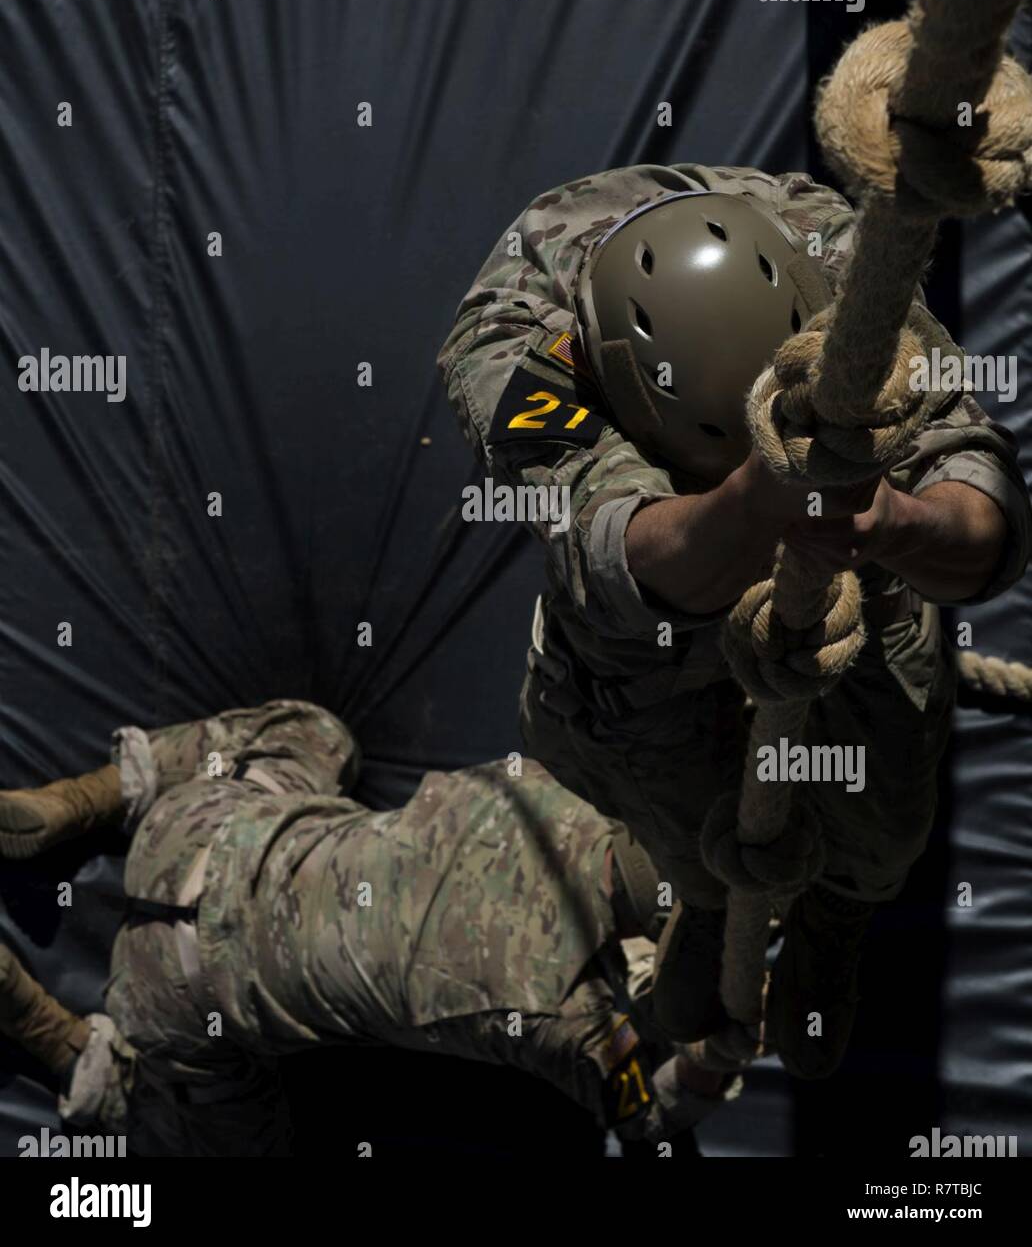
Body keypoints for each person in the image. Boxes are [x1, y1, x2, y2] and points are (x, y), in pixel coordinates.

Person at [437, 163, 1031, 1077]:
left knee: (890, 678)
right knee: (612, 679)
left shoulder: (846, 272)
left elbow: (982, 512)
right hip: (650, 622)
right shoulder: (518, 336)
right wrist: (758, 497)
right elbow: (620, 551)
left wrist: (896, 522)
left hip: (842, 554)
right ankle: (704, 888)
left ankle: (844, 898)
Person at [0, 699, 735, 1155]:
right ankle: (53, 1036)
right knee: (233, 1147)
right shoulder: (562, 1011)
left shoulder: (546, 789)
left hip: (196, 833)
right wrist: (718, 1056)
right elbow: (642, 1114)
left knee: (313, 732)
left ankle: (93, 796)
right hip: (179, 991)